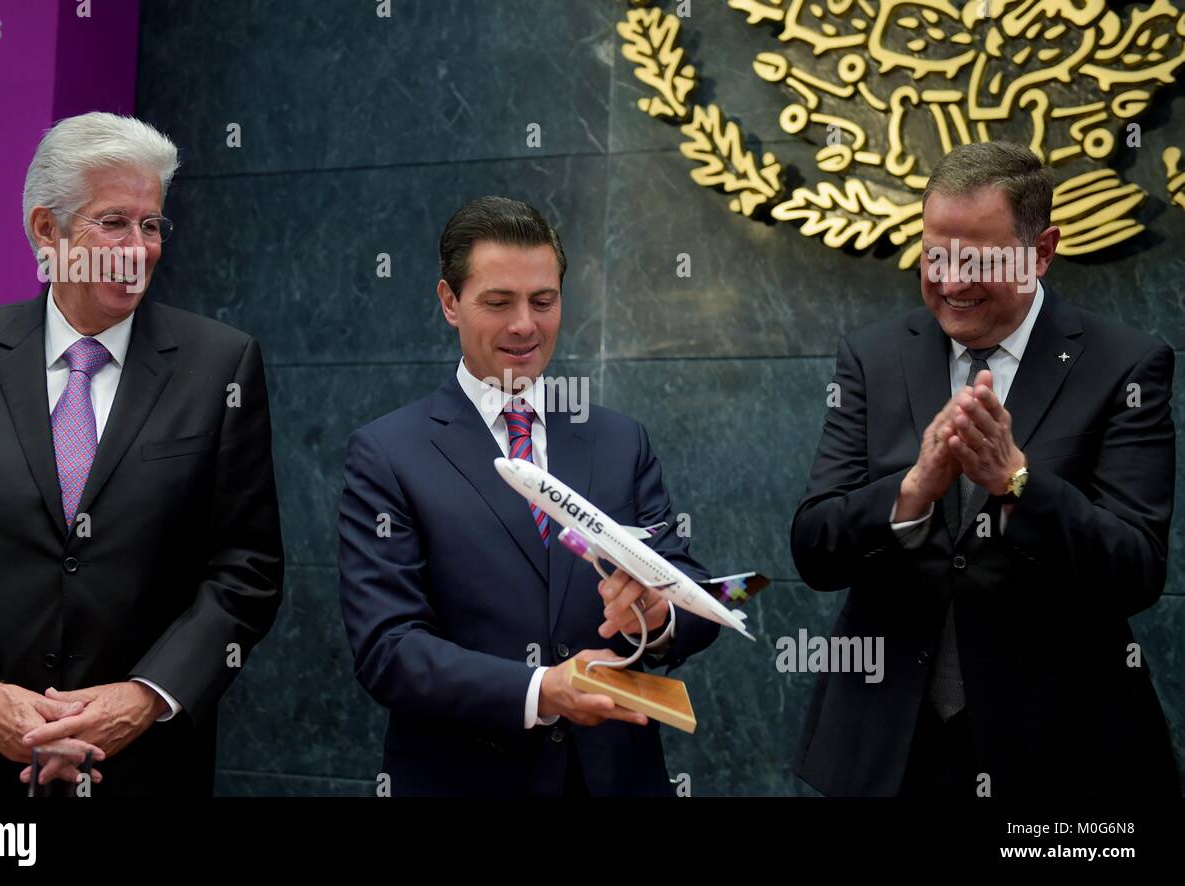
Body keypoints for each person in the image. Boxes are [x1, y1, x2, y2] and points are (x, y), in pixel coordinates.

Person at [0, 112, 284, 796]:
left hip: (142, 768)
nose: (141, 247)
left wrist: (146, 697)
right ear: (48, 231)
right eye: (115, 222)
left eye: (152, 224)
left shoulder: (221, 365)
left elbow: (247, 571)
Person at [791, 141, 1177, 797]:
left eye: (977, 258)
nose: (950, 280)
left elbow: (1137, 570)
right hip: (890, 751)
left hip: (1061, 756)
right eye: (935, 254)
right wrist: (911, 492)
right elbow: (815, 549)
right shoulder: (873, 357)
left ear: (1042, 251)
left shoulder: (1126, 365)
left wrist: (1018, 485)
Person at [338, 196, 717, 796]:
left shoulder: (619, 440)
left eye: (544, 301)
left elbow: (691, 595)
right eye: (498, 302)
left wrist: (660, 613)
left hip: (616, 778)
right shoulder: (389, 453)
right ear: (448, 303)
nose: (525, 325)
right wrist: (543, 689)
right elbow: (388, 649)